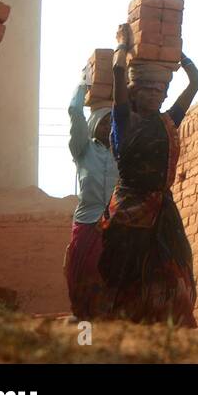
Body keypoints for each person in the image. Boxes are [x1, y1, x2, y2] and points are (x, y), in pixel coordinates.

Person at [95, 25, 198, 327]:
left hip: (162, 213)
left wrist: (175, 51)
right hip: (128, 213)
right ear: (134, 93)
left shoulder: (169, 120)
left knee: (172, 274)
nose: (156, 95)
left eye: (161, 90)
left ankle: (167, 332)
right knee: (125, 279)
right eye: (149, 90)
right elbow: (117, 73)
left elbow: (196, 81)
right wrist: (122, 46)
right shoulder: (123, 120)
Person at [63, 71, 117, 321]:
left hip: (115, 224)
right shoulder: (83, 150)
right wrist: (83, 84)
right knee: (82, 270)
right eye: (104, 122)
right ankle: (84, 314)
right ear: (94, 125)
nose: (109, 127)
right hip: (87, 221)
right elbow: (75, 112)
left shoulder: (121, 154)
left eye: (112, 123)